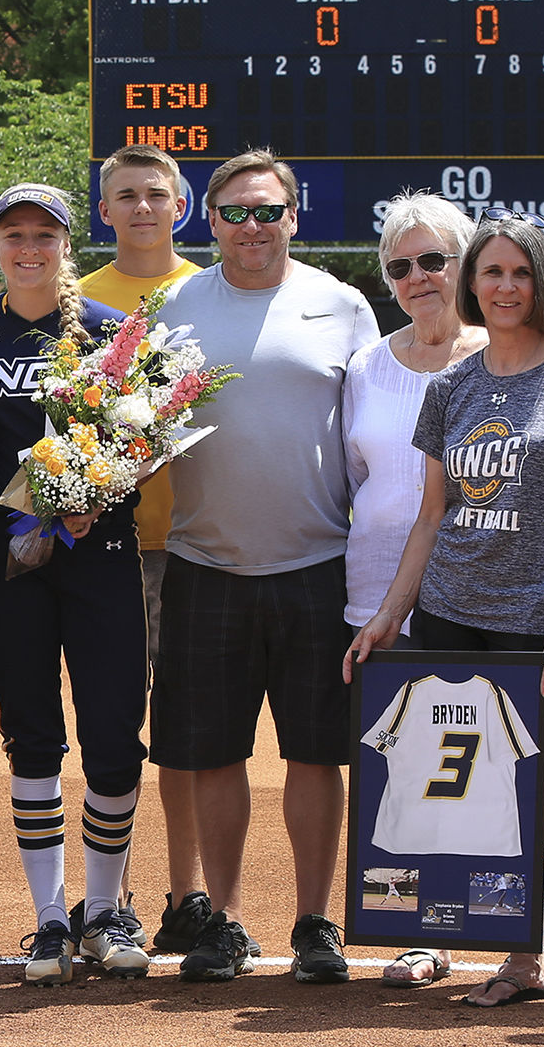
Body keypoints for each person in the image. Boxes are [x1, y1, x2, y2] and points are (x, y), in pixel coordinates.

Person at [346, 209, 544, 1017]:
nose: (504, 286)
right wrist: (387, 615)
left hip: (533, 623)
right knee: (483, 796)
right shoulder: (452, 387)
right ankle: (523, 954)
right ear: (474, 284)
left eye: (518, 272)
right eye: (491, 273)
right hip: (449, 611)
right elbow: (431, 515)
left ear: (540, 281)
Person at [150, 149, 377, 984]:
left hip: (319, 562)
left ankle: (317, 920)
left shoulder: (343, 305)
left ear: (294, 216)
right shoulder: (172, 306)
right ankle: (226, 918)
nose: (253, 226)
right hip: (205, 561)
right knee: (213, 752)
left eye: (268, 211)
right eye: (236, 212)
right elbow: (137, 429)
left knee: (316, 753)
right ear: (208, 221)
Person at [0, 183, 149, 985]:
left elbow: (142, 440)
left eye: (44, 234)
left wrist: (90, 490)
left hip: (98, 555)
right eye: (14, 234)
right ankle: (50, 917)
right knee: (31, 734)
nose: (28, 247)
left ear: (66, 245)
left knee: (111, 733)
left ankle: (104, 908)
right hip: (10, 566)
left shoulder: (108, 330)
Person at [338, 191, 483, 990]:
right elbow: (361, 480)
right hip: (373, 599)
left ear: (466, 261)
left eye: (434, 259)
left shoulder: (505, 354)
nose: (419, 275)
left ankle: (510, 923)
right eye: (401, 265)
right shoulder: (367, 364)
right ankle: (419, 929)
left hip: (476, 600)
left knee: (478, 772)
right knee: (398, 777)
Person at [76, 144, 201, 951]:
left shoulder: (210, 288)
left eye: (157, 193)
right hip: (109, 544)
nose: (144, 207)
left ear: (180, 204)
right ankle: (109, 897)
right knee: (112, 720)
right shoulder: (75, 299)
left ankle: (186, 892)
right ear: (106, 210)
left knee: (187, 723)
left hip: (197, 540)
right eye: (127, 195)